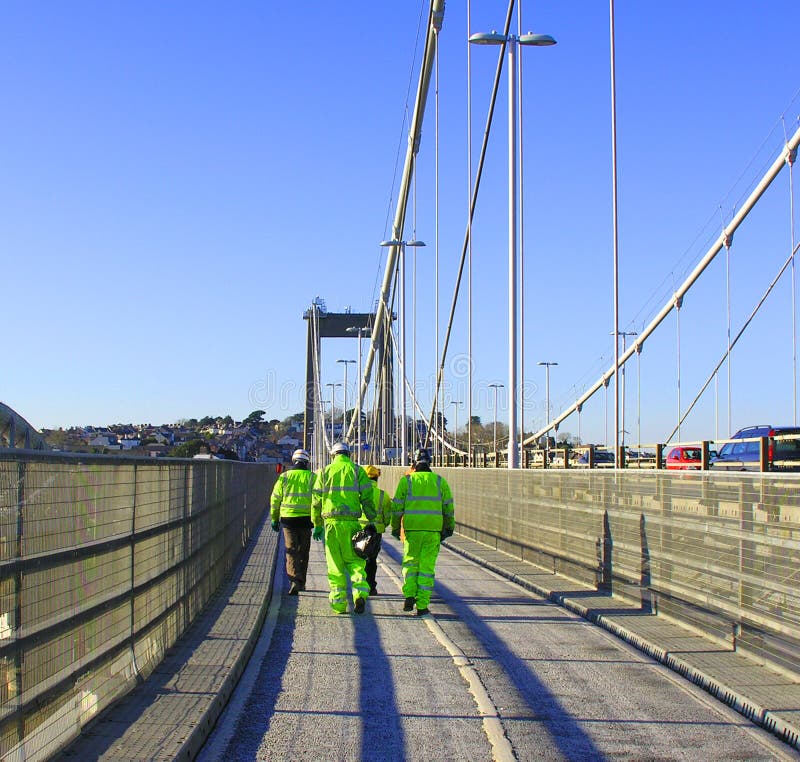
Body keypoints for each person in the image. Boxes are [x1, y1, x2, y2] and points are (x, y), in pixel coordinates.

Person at [312, 441, 376, 614]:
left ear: (333, 455)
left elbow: (316, 501)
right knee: (356, 560)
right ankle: (360, 592)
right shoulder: (357, 471)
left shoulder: (324, 472)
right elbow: (368, 496)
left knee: (335, 564)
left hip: (331, 525)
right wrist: (372, 518)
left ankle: (339, 604)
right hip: (353, 524)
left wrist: (317, 523)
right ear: (349, 454)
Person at [391, 448, 455, 616]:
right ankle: (422, 605)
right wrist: (449, 527)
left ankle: (409, 594)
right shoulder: (440, 482)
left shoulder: (407, 481)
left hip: (412, 530)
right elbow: (448, 508)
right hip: (433, 531)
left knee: (410, 564)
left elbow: (397, 507)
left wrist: (396, 527)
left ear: (414, 463)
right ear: (430, 463)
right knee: (426, 568)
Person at [270, 448, 315, 595]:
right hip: (307, 520)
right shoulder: (313, 477)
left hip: (288, 519)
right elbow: (319, 500)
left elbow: (275, 499)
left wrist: (274, 518)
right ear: (307, 461)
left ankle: (294, 580)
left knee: (291, 550)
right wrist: (319, 521)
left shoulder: (284, 477)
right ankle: (301, 582)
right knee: (304, 550)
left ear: (293, 460)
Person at [360, 464, 393, 596]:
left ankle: (359, 586)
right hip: (376, 532)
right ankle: (371, 586)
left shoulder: (358, 493)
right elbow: (387, 516)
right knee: (372, 560)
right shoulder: (383, 496)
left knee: (359, 559)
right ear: (377, 479)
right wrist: (383, 526)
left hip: (360, 530)